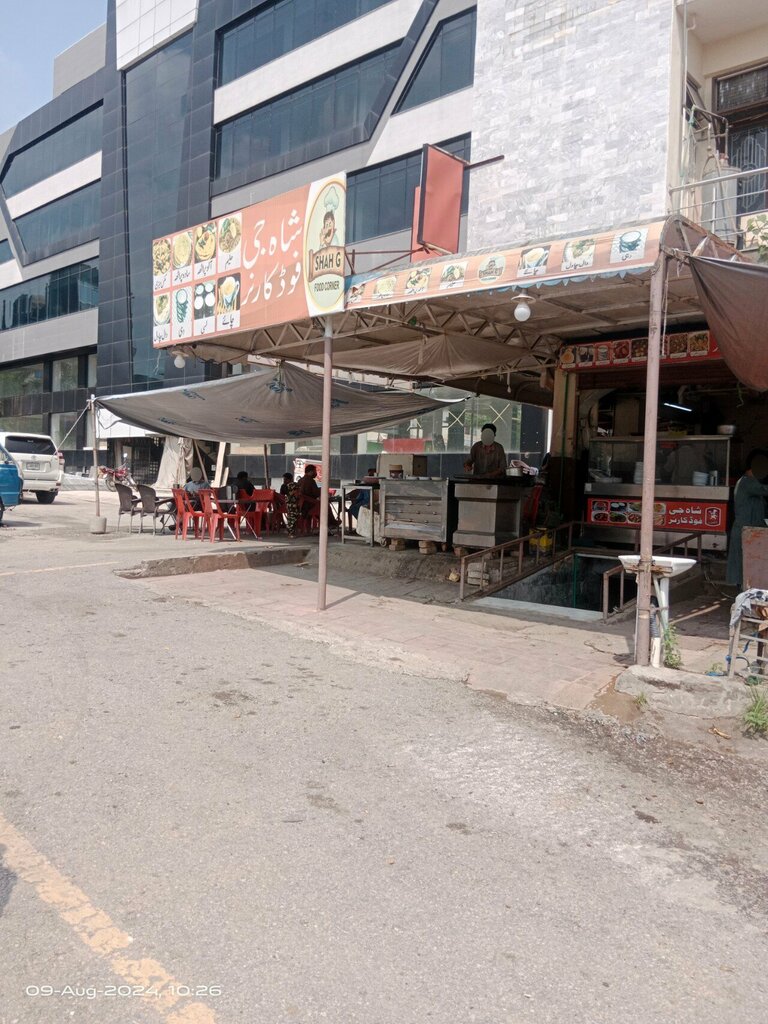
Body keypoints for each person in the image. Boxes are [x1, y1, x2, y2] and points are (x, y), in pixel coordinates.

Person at [727, 449, 768, 588]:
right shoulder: (746, 482)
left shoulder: (752, 484)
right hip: (744, 532)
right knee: (743, 568)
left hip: (751, 532)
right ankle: (742, 601)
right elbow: (765, 490)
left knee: (749, 567)